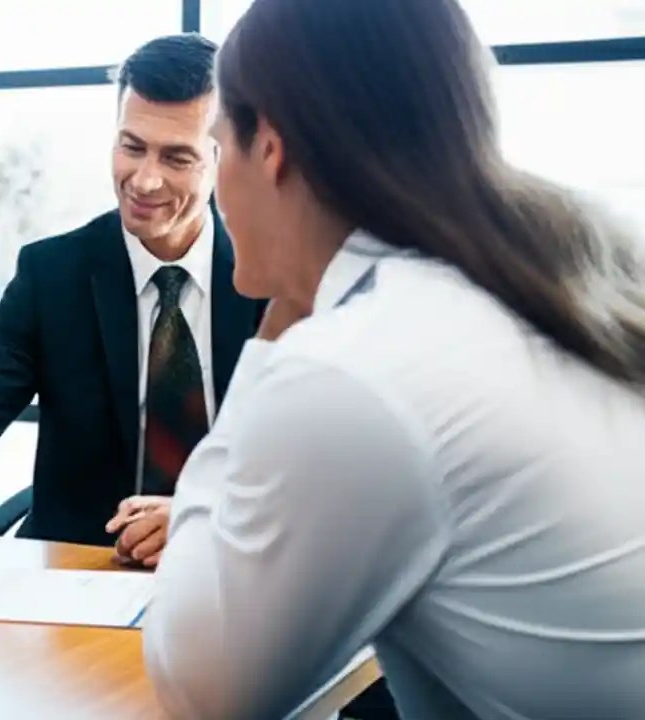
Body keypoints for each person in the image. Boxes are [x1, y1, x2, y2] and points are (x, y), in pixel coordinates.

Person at [144, 0, 645, 718]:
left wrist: (270, 345)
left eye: (218, 148)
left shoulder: (356, 372)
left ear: (272, 148)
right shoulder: (542, 288)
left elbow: (200, 696)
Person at [0, 34, 263, 559]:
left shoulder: (273, 279)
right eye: (131, 146)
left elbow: (312, 457)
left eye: (177, 157)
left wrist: (205, 514)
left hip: (231, 569)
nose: (145, 178)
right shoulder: (54, 274)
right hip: (74, 573)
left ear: (225, 159)